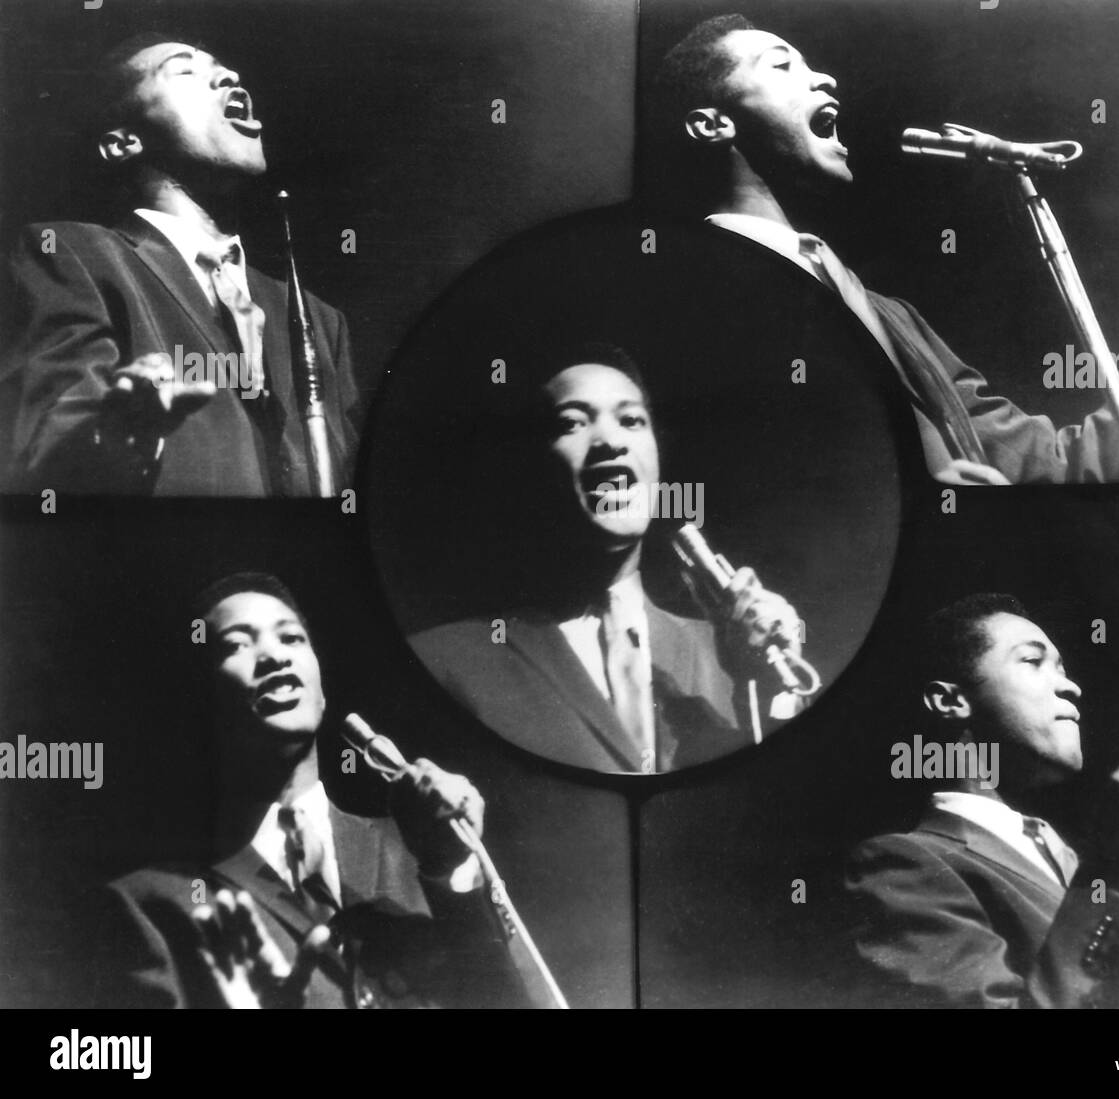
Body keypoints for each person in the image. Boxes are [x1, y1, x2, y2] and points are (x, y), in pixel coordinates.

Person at [649, 15, 1119, 483]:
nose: (825, 78)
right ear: (712, 123)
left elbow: (1055, 463)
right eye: (782, 65)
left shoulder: (890, 317)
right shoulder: (683, 298)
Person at [89, 573, 518, 1008]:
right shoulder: (152, 905)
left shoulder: (421, 851)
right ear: (197, 704)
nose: (274, 655)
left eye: (292, 638)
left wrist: (449, 867)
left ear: (321, 685)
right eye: (237, 644)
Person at [410, 342, 808, 774]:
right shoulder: (444, 663)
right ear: (529, 471)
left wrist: (769, 690)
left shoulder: (733, 657)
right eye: (573, 423)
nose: (609, 441)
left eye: (632, 420)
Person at [0, 33, 356, 495]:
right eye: (184, 69)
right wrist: (117, 435)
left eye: (223, 68)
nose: (229, 76)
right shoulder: (71, 255)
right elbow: (44, 450)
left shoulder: (324, 322)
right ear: (123, 143)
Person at [842, 593, 1119, 1008]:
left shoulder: (1069, 860)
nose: (1071, 686)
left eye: (1063, 668)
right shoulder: (901, 865)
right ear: (950, 701)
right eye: (1032, 661)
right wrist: (1113, 866)